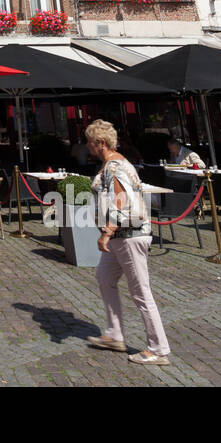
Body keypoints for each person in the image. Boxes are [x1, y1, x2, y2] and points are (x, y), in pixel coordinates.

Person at [85, 119, 171, 366]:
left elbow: (123, 202)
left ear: (101, 143)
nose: (87, 146)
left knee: (142, 294)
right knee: (105, 279)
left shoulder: (114, 168)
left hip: (129, 236)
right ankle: (114, 334)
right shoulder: (113, 164)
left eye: (90, 142)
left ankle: (159, 349)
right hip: (121, 238)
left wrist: (107, 232)